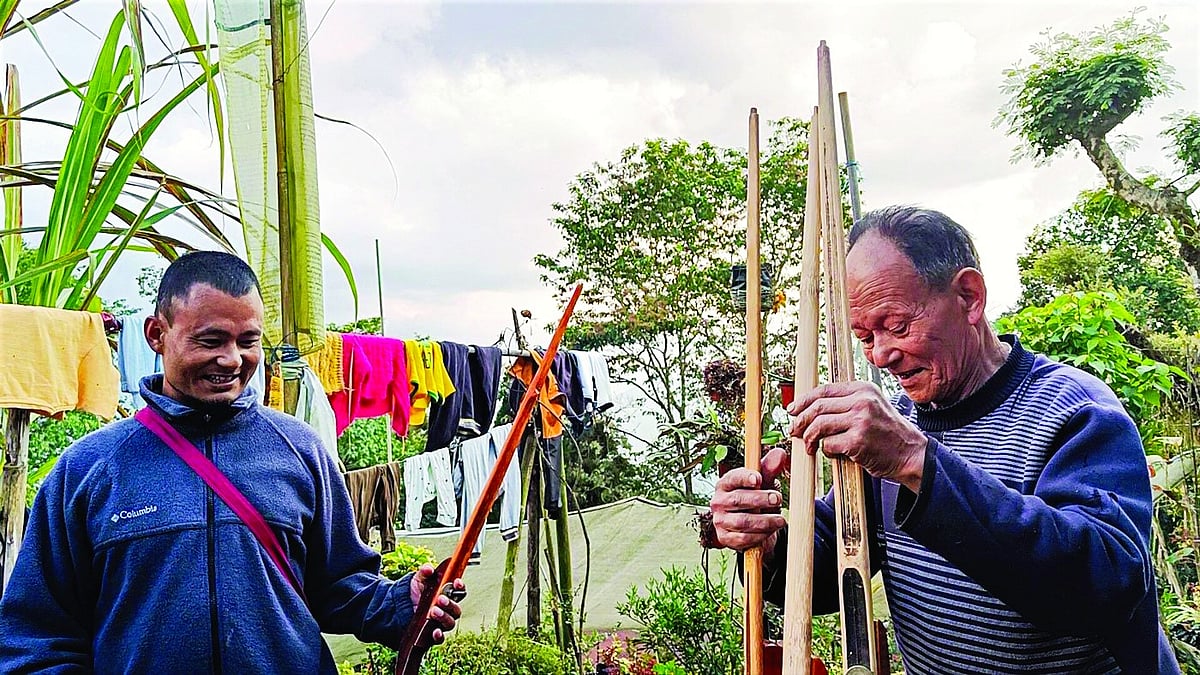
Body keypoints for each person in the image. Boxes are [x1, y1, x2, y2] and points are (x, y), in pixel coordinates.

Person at [711, 206, 1180, 674]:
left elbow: (1107, 582)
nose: (882, 355)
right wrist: (766, 535)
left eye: (897, 325)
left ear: (969, 297)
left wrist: (916, 460)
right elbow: (835, 556)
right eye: (865, 335)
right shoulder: (898, 424)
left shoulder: (1076, 410)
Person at [0, 251, 464, 673]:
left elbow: (339, 586)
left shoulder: (300, 450)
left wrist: (403, 602)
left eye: (248, 341)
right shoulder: (90, 469)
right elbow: (36, 634)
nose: (232, 359)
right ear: (156, 334)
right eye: (211, 340)